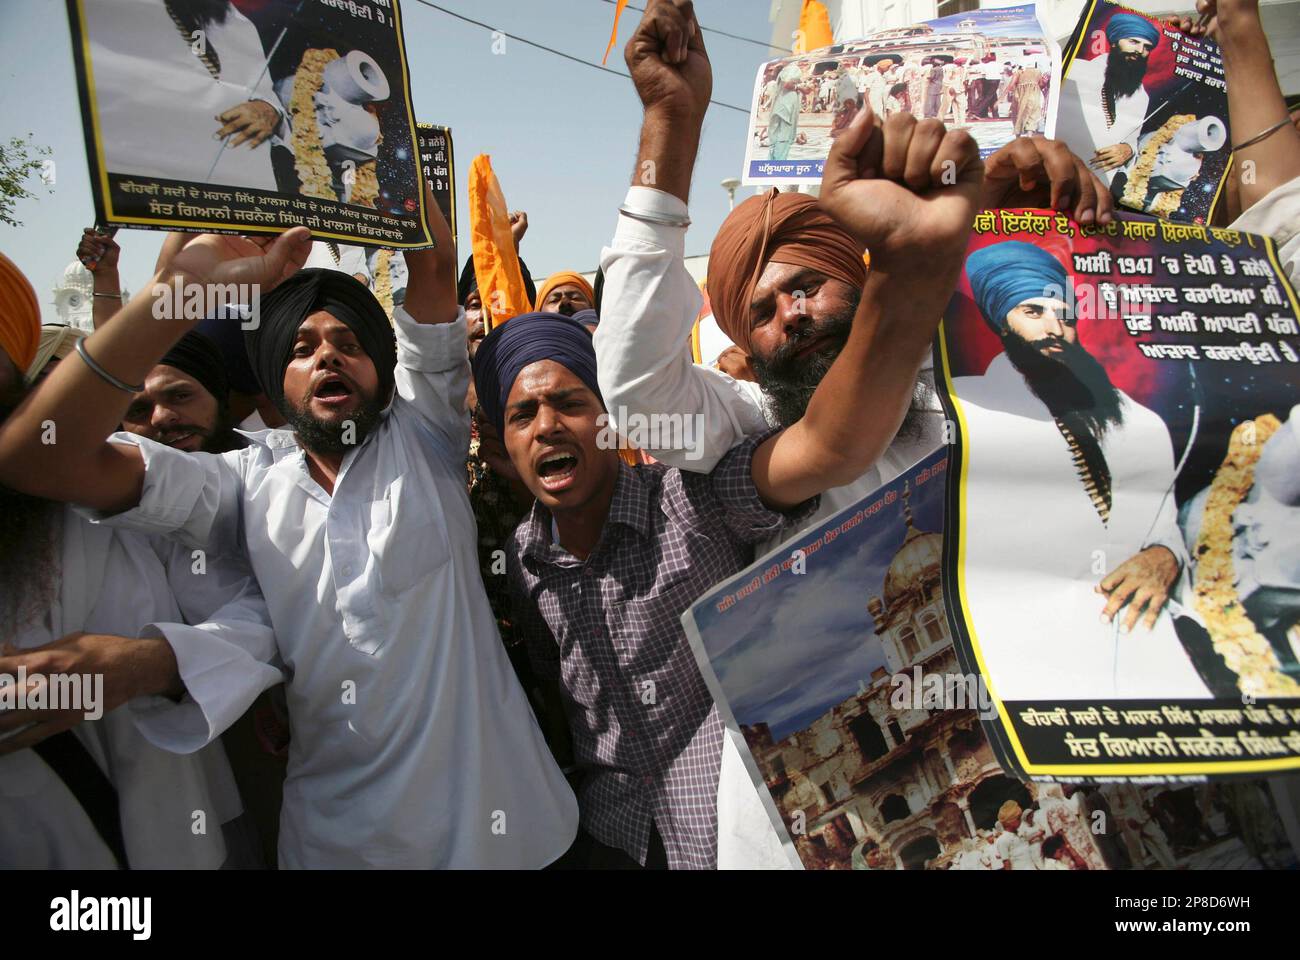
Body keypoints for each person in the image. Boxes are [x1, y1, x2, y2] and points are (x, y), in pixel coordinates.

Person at [0, 189, 579, 868]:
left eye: (349, 343)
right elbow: (39, 459)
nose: (328, 356)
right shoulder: (241, 484)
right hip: (340, 845)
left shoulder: (424, 435)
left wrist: (377, 164)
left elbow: (431, 267)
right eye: (303, 347)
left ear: (386, 374)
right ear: (275, 389)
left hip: (508, 835)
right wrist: (174, 294)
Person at [0, 251, 274, 869]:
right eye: (136, 410)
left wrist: (152, 663)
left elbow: (286, 606)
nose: (159, 420)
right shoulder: (117, 480)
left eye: (180, 395)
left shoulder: (248, 477)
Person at [952, 241, 1209, 700]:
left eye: (1065, 316)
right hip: (1030, 650)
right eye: (1033, 312)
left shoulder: (1139, 423)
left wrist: (1166, 556)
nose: (1055, 329)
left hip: (1144, 639)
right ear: (1001, 322)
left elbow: (1163, 526)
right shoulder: (961, 410)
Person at [82, 0, 282, 189]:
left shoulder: (229, 18)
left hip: (244, 187)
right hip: (154, 182)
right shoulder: (103, 14)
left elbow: (264, 92)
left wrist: (269, 108)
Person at [1056, 12, 1161, 187]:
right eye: (1133, 42)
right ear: (1114, 42)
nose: (1140, 51)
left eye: (1147, 47)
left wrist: (1128, 149)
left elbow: (1132, 139)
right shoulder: (1073, 70)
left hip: (1098, 188)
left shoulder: (1142, 96)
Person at [767, 62, 804, 160]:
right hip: (787, 106)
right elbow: (787, 84)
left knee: (775, 135)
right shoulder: (792, 69)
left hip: (780, 106)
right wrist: (800, 88)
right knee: (785, 136)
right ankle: (778, 162)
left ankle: (772, 162)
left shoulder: (783, 70)